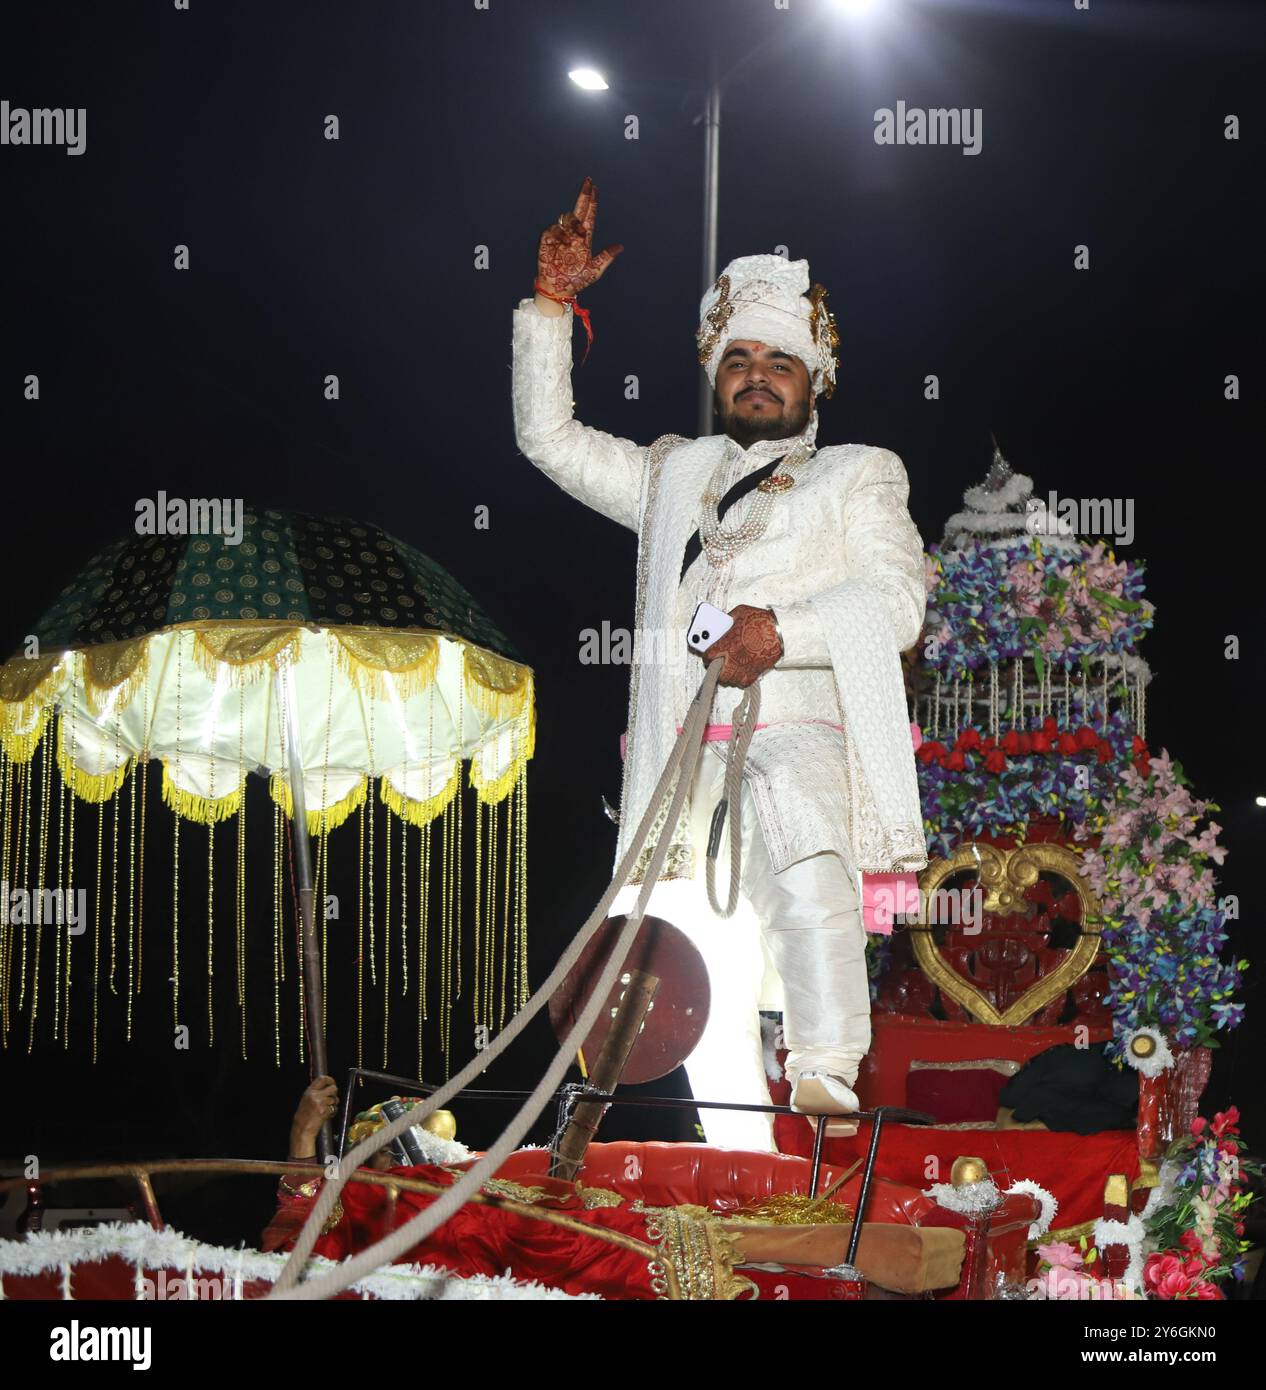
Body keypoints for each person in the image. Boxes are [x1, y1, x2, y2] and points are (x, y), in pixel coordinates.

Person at [512, 179, 927, 1151]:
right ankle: (749, 1172)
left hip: (795, 752)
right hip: (678, 773)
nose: (755, 375)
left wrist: (777, 626)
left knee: (798, 839)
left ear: (812, 379)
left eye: (779, 360)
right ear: (714, 373)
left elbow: (897, 604)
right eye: (737, 358)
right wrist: (547, 310)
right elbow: (548, 439)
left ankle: (826, 1069)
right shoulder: (673, 476)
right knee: (688, 974)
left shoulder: (858, 475)